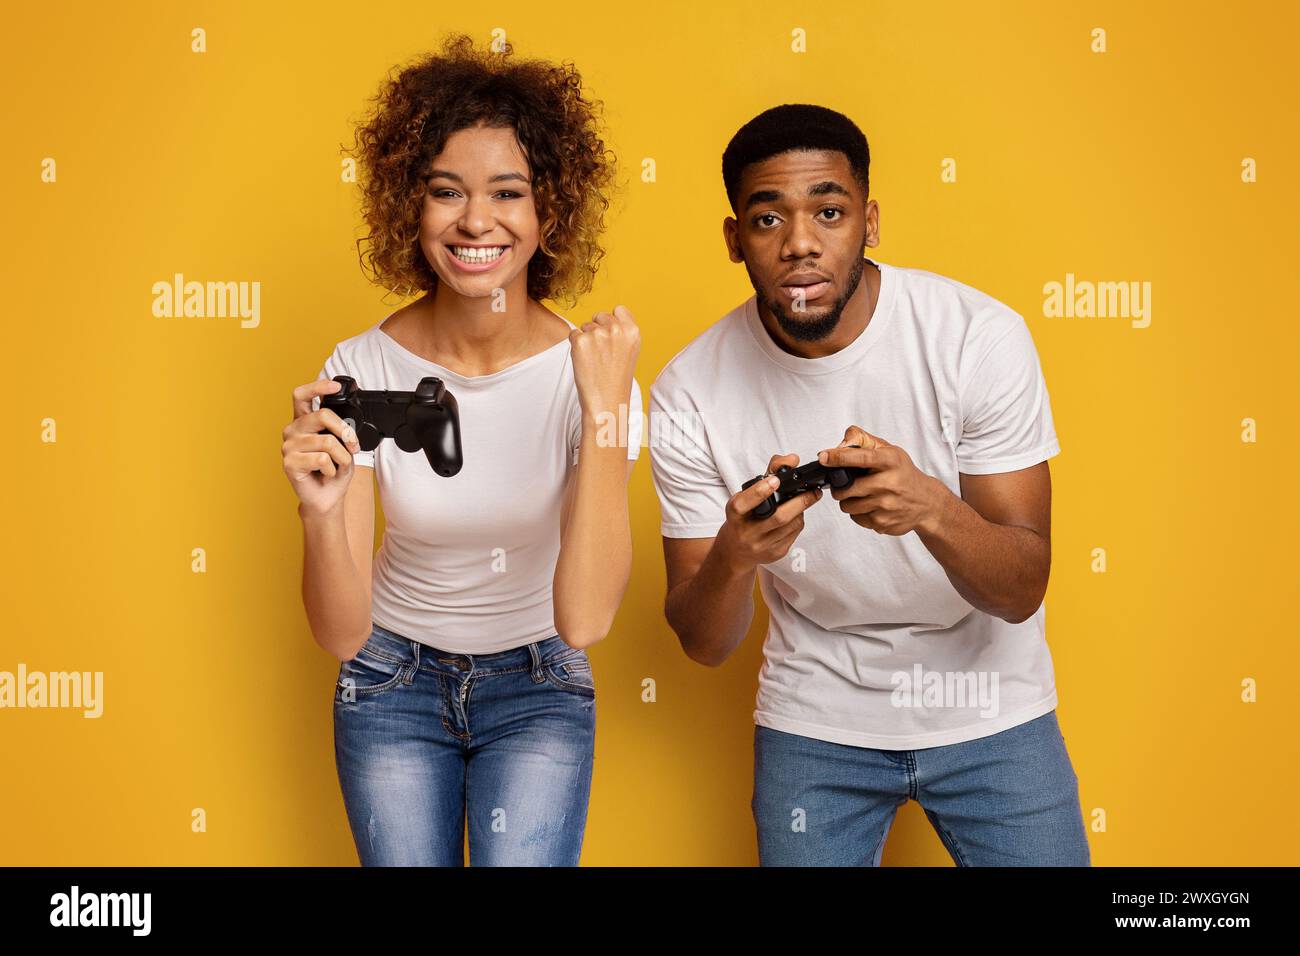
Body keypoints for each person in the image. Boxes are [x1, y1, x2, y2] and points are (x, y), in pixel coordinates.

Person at [648, 103, 1089, 866]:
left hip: (991, 706)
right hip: (817, 721)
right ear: (733, 239)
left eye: (829, 211)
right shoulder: (690, 388)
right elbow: (703, 644)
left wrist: (930, 508)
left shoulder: (976, 338)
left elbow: (1021, 589)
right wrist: (736, 554)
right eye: (767, 220)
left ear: (870, 222)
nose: (800, 245)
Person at [280, 34, 641, 866]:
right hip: (389, 684)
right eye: (447, 192)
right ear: (411, 206)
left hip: (540, 688)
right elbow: (340, 635)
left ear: (548, 212)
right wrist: (320, 511)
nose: (477, 221)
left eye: (507, 193)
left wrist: (604, 413)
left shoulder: (596, 371)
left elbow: (585, 617)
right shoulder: (362, 367)